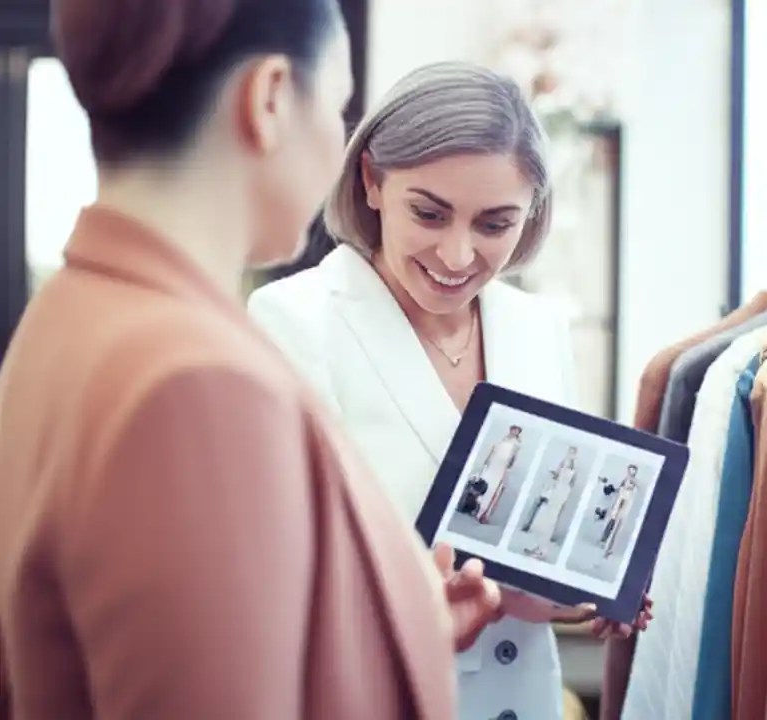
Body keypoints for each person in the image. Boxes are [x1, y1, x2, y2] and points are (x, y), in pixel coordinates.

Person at [0, 2, 497, 718]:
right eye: (336, 107)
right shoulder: (196, 384)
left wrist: (395, 627)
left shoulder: (74, 312)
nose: (337, 148)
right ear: (269, 99)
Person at [248, 60, 650, 720]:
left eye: (495, 224)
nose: (458, 256)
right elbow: (266, 580)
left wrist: (585, 589)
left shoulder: (539, 327)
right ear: (373, 180)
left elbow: (533, 545)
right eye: (430, 214)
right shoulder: (294, 322)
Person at [523, 447, 579, 558]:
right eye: (569, 452)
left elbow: (570, 485)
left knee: (550, 522)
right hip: (555, 493)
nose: (570, 455)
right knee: (544, 522)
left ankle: (542, 550)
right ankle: (538, 547)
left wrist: (563, 497)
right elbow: (556, 477)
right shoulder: (562, 465)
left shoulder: (573, 471)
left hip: (560, 495)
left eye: (572, 453)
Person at [476, 425, 524, 524]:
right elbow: (493, 450)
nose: (514, 432)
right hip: (493, 465)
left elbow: (513, 458)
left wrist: (508, 466)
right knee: (485, 485)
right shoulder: (502, 440)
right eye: (513, 430)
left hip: (501, 468)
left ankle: (484, 514)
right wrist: (487, 460)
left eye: (517, 431)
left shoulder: (516, 444)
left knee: (494, 489)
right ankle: (477, 508)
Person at [599, 465, 641, 557]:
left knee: (618, 523)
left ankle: (610, 546)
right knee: (611, 520)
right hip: (618, 501)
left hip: (625, 503)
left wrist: (631, 481)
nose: (630, 472)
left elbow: (637, 488)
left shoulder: (634, 482)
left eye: (633, 471)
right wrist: (613, 490)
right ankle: (604, 539)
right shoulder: (625, 480)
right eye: (629, 470)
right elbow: (620, 489)